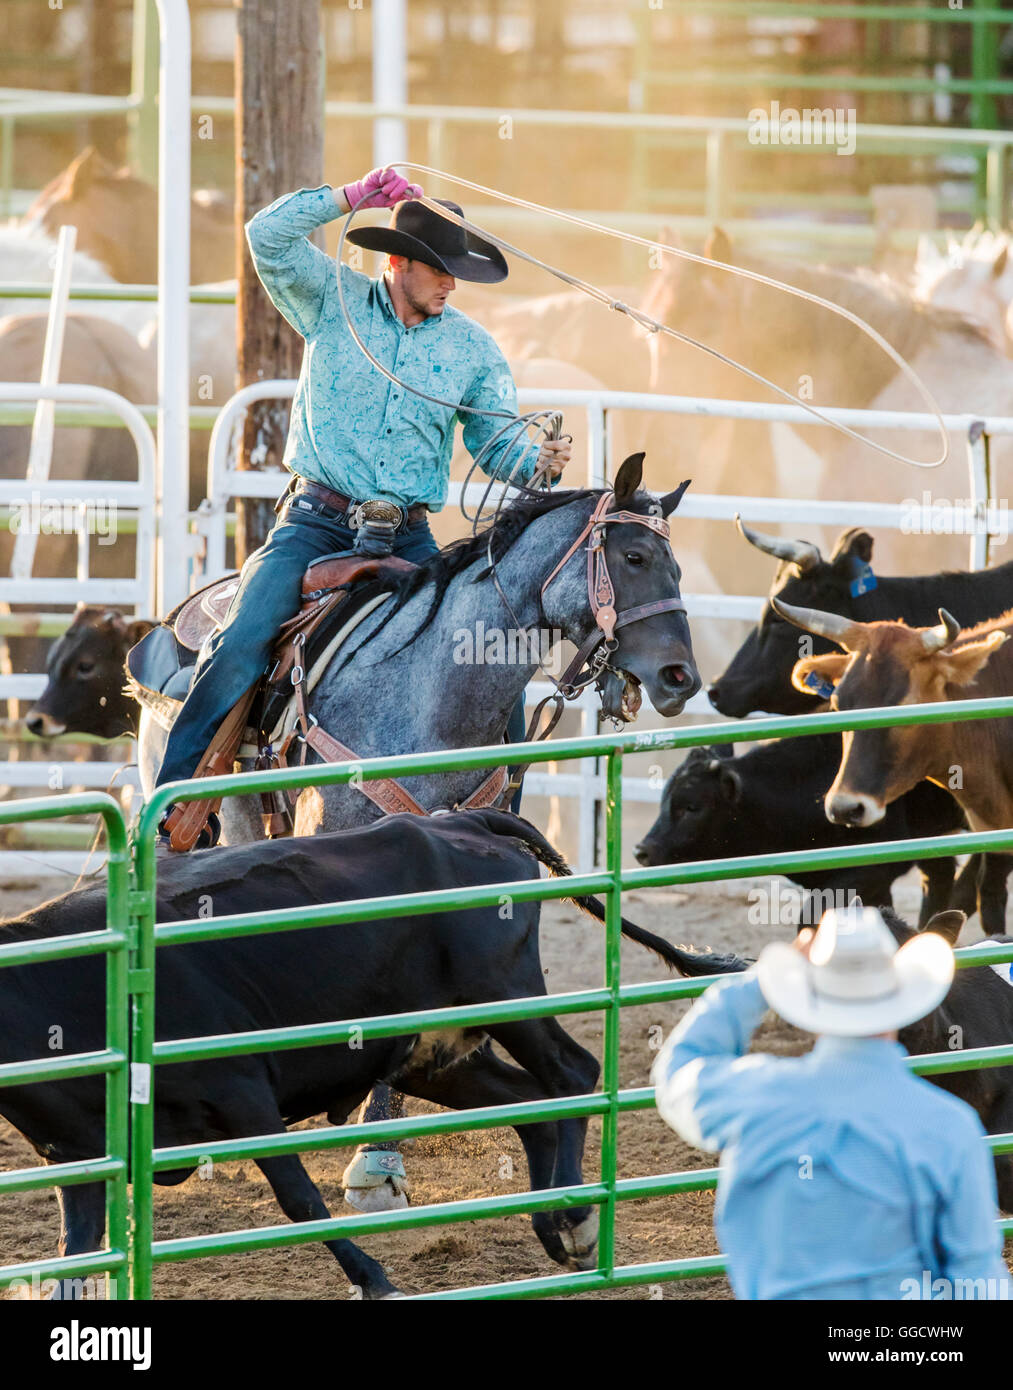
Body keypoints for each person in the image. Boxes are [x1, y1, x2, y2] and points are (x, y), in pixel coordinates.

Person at [156, 166, 570, 849]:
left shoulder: (472, 349)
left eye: (455, 271)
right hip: (315, 524)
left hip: (408, 537)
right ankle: (172, 814)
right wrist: (349, 197)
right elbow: (267, 236)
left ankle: (501, 827)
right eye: (439, 268)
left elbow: (495, 445)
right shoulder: (330, 300)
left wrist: (535, 464)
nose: (450, 283)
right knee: (237, 646)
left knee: (491, 654)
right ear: (397, 262)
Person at [651, 905, 1013, 1300]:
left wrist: (759, 984)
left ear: (808, 1003)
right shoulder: (948, 1127)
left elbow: (679, 1068)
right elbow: (978, 1277)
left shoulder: (754, 1098)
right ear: (907, 1001)